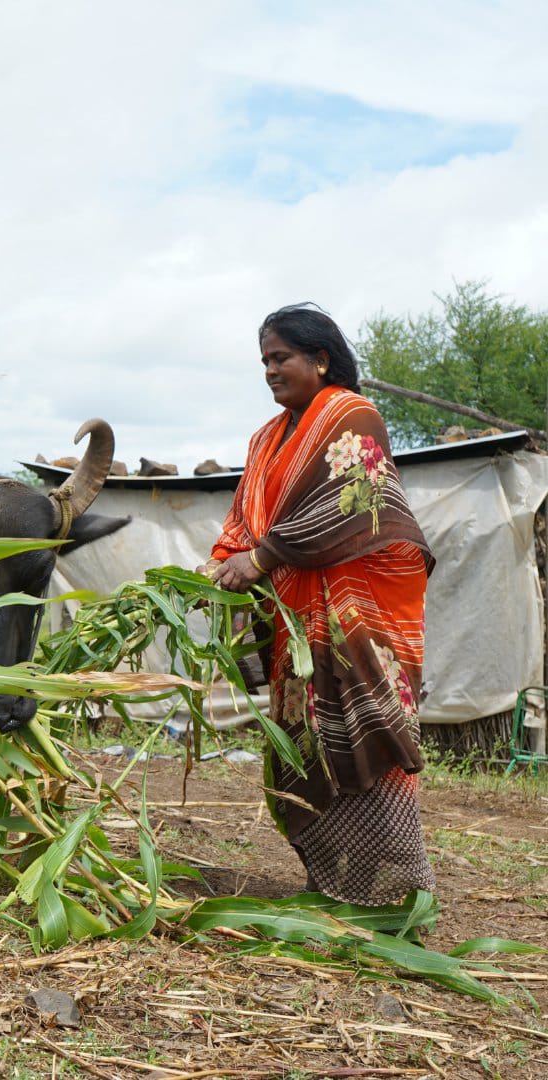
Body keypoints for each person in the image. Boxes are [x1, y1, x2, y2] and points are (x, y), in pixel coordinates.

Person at [201, 303, 436, 906]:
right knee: (306, 744)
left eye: (280, 358)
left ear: (320, 359)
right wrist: (223, 558)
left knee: (364, 736)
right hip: (296, 625)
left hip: (352, 612)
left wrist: (262, 556)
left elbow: (354, 502)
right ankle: (333, 882)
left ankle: (389, 895)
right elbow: (245, 516)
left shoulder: (352, 414)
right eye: (264, 362)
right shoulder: (264, 439)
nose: (270, 371)